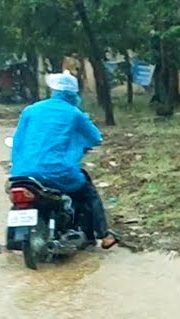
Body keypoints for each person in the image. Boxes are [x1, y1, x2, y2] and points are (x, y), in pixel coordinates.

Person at [8, 72, 115, 248]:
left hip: (22, 173)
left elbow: (19, 139)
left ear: (53, 90)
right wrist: (80, 146)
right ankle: (103, 234)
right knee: (88, 191)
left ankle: (10, 244)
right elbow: (95, 137)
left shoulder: (30, 110)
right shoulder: (73, 113)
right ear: (73, 93)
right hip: (58, 171)